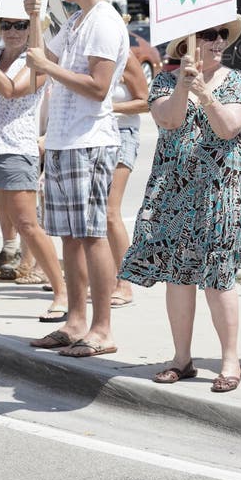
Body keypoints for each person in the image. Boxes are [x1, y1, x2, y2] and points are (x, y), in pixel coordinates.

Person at [119, 16, 241, 392]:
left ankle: (231, 361)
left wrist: (206, 94)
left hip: (225, 194)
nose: (218, 41)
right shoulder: (164, 81)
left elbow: (228, 127)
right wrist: (185, 84)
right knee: (178, 275)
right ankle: (182, 358)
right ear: (185, 44)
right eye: (209, 34)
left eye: (221, 35)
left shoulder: (236, 81)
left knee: (218, 275)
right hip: (176, 193)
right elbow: (169, 119)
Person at [24, 0, 129, 357]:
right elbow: (39, 61)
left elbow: (99, 87)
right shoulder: (77, 19)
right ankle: (75, 320)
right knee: (70, 235)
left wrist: (49, 68)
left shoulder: (104, 20)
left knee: (92, 235)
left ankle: (102, 328)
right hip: (67, 140)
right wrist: (35, 18)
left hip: (91, 140)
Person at [0, 4, 68, 321]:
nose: (12, 31)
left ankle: (61, 292)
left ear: (30, 28)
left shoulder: (37, 63)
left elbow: (10, 90)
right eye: (6, 24)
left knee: (27, 225)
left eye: (20, 25)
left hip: (15, 148)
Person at [108, 47, 149, 306]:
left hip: (122, 134)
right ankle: (104, 278)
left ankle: (125, 283)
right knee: (92, 215)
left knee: (110, 211)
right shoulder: (87, 55)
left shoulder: (125, 57)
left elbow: (146, 101)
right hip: (93, 136)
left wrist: (108, 107)